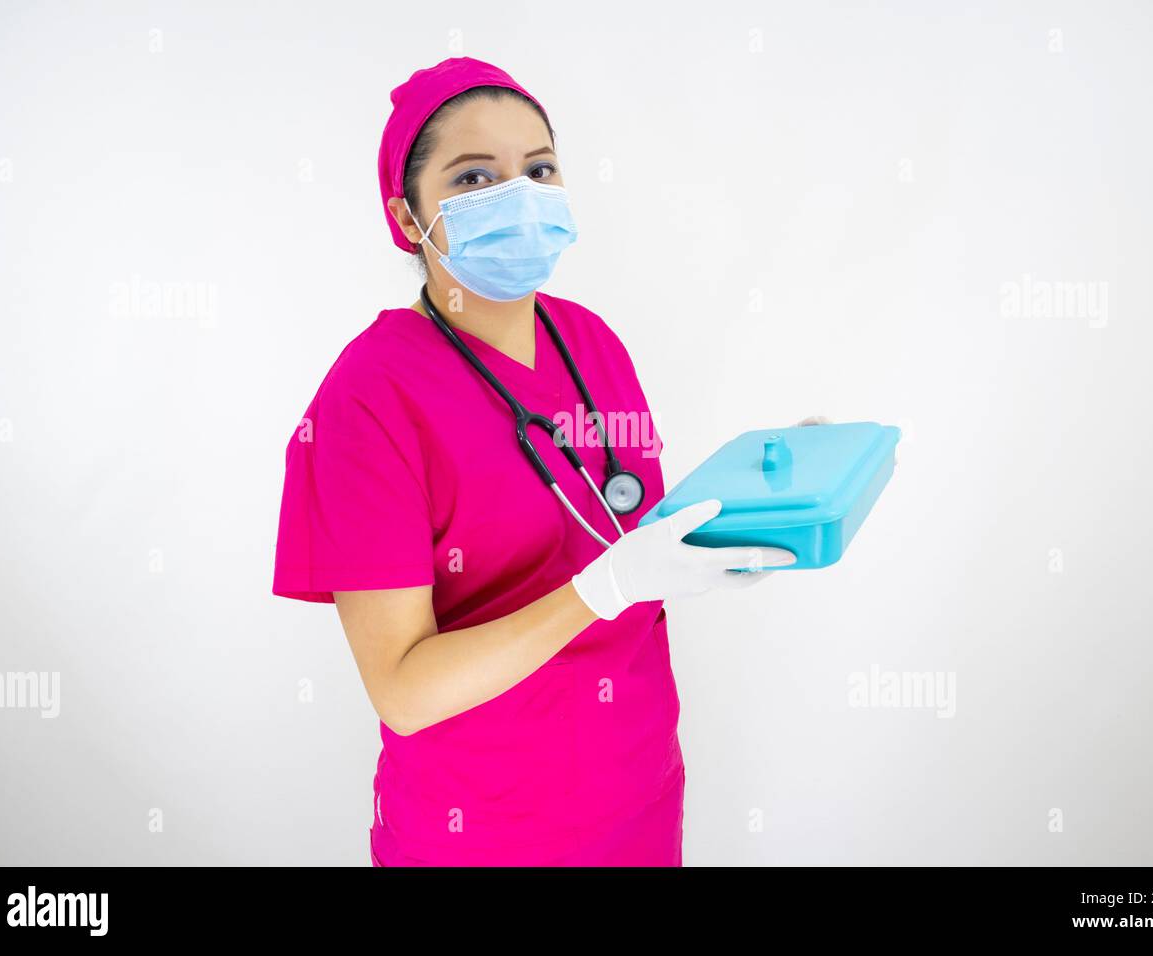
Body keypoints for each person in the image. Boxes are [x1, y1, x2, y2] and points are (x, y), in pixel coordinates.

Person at [272, 56, 810, 866]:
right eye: (475, 176)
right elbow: (404, 691)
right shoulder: (368, 398)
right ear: (406, 215)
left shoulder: (589, 340)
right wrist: (600, 592)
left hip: (637, 798)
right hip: (478, 829)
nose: (518, 196)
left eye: (539, 168)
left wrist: (759, 506)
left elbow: (624, 531)